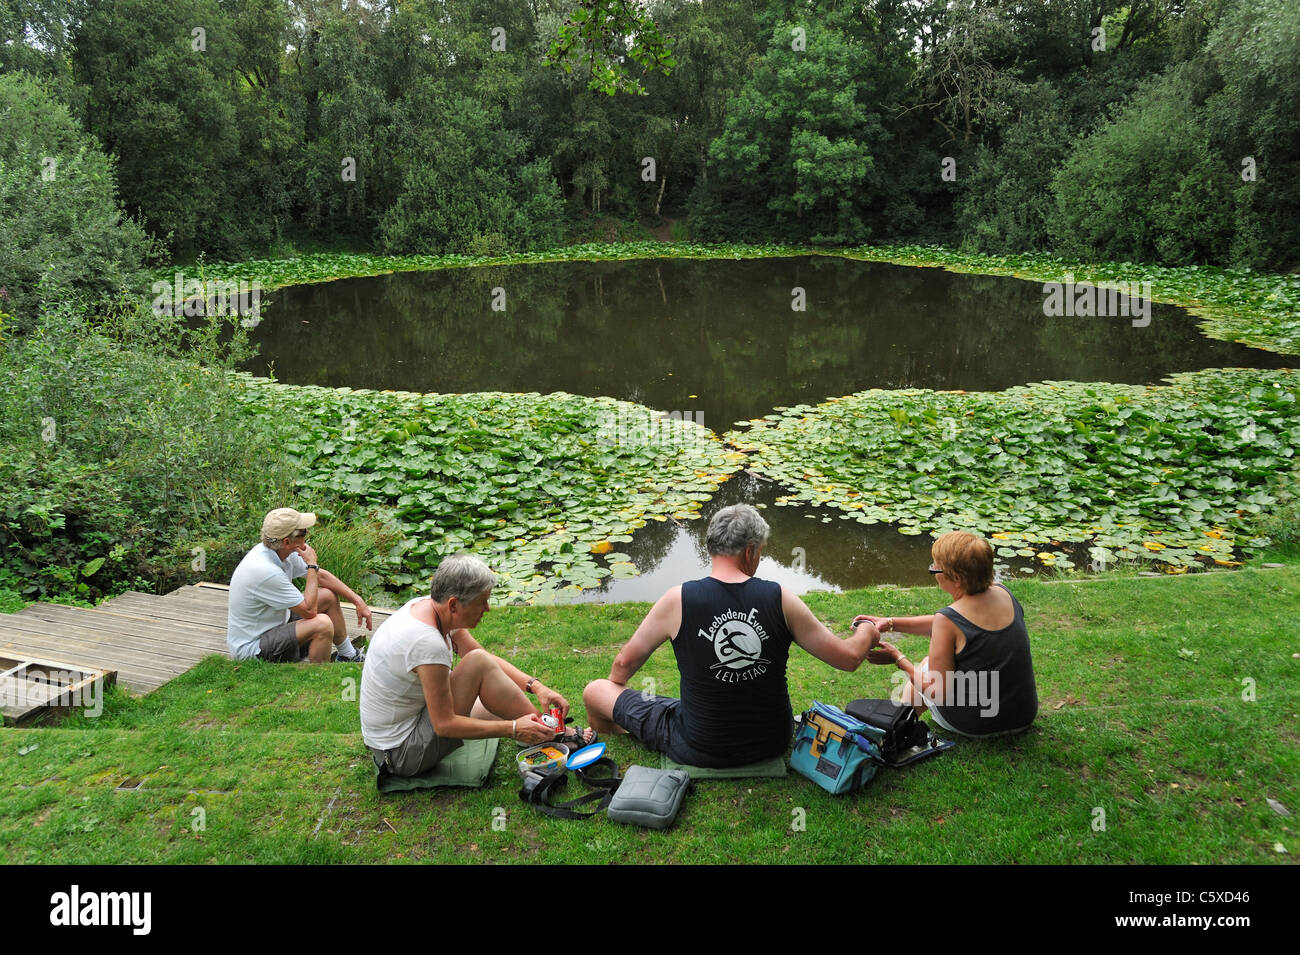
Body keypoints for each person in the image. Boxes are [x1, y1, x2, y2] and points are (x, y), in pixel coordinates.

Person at [583, 504, 881, 768]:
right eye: (760, 552)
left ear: (711, 547)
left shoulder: (678, 600)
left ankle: (615, 738)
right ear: (750, 551)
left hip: (699, 746)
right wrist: (867, 628)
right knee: (665, 704)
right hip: (772, 742)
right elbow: (849, 658)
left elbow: (624, 664)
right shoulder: (781, 599)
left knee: (597, 690)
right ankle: (625, 731)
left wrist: (620, 697)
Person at [360, 553, 594, 778]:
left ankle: (541, 731)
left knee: (487, 682)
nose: (488, 609)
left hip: (403, 729)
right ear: (453, 604)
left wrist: (536, 686)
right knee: (480, 670)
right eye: (482, 602)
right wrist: (513, 728)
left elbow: (478, 655)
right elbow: (444, 725)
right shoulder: (427, 642)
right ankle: (549, 736)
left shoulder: (430, 607)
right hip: (400, 754)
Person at [861, 531, 1038, 737]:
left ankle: (897, 725)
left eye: (935, 567)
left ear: (957, 578)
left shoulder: (948, 620)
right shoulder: (1004, 593)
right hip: (1022, 717)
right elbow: (953, 624)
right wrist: (890, 623)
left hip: (976, 725)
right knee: (931, 665)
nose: (934, 572)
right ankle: (900, 721)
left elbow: (937, 694)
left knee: (925, 668)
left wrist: (898, 658)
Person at [226, 508, 372, 664]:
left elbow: (321, 576)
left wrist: (358, 601)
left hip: (276, 625)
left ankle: (348, 655)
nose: (307, 533)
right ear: (287, 542)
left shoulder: (280, 552)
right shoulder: (266, 571)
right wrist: (311, 565)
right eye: (303, 532)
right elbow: (309, 611)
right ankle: (320, 677)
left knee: (327, 596)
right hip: (252, 649)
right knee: (322, 624)